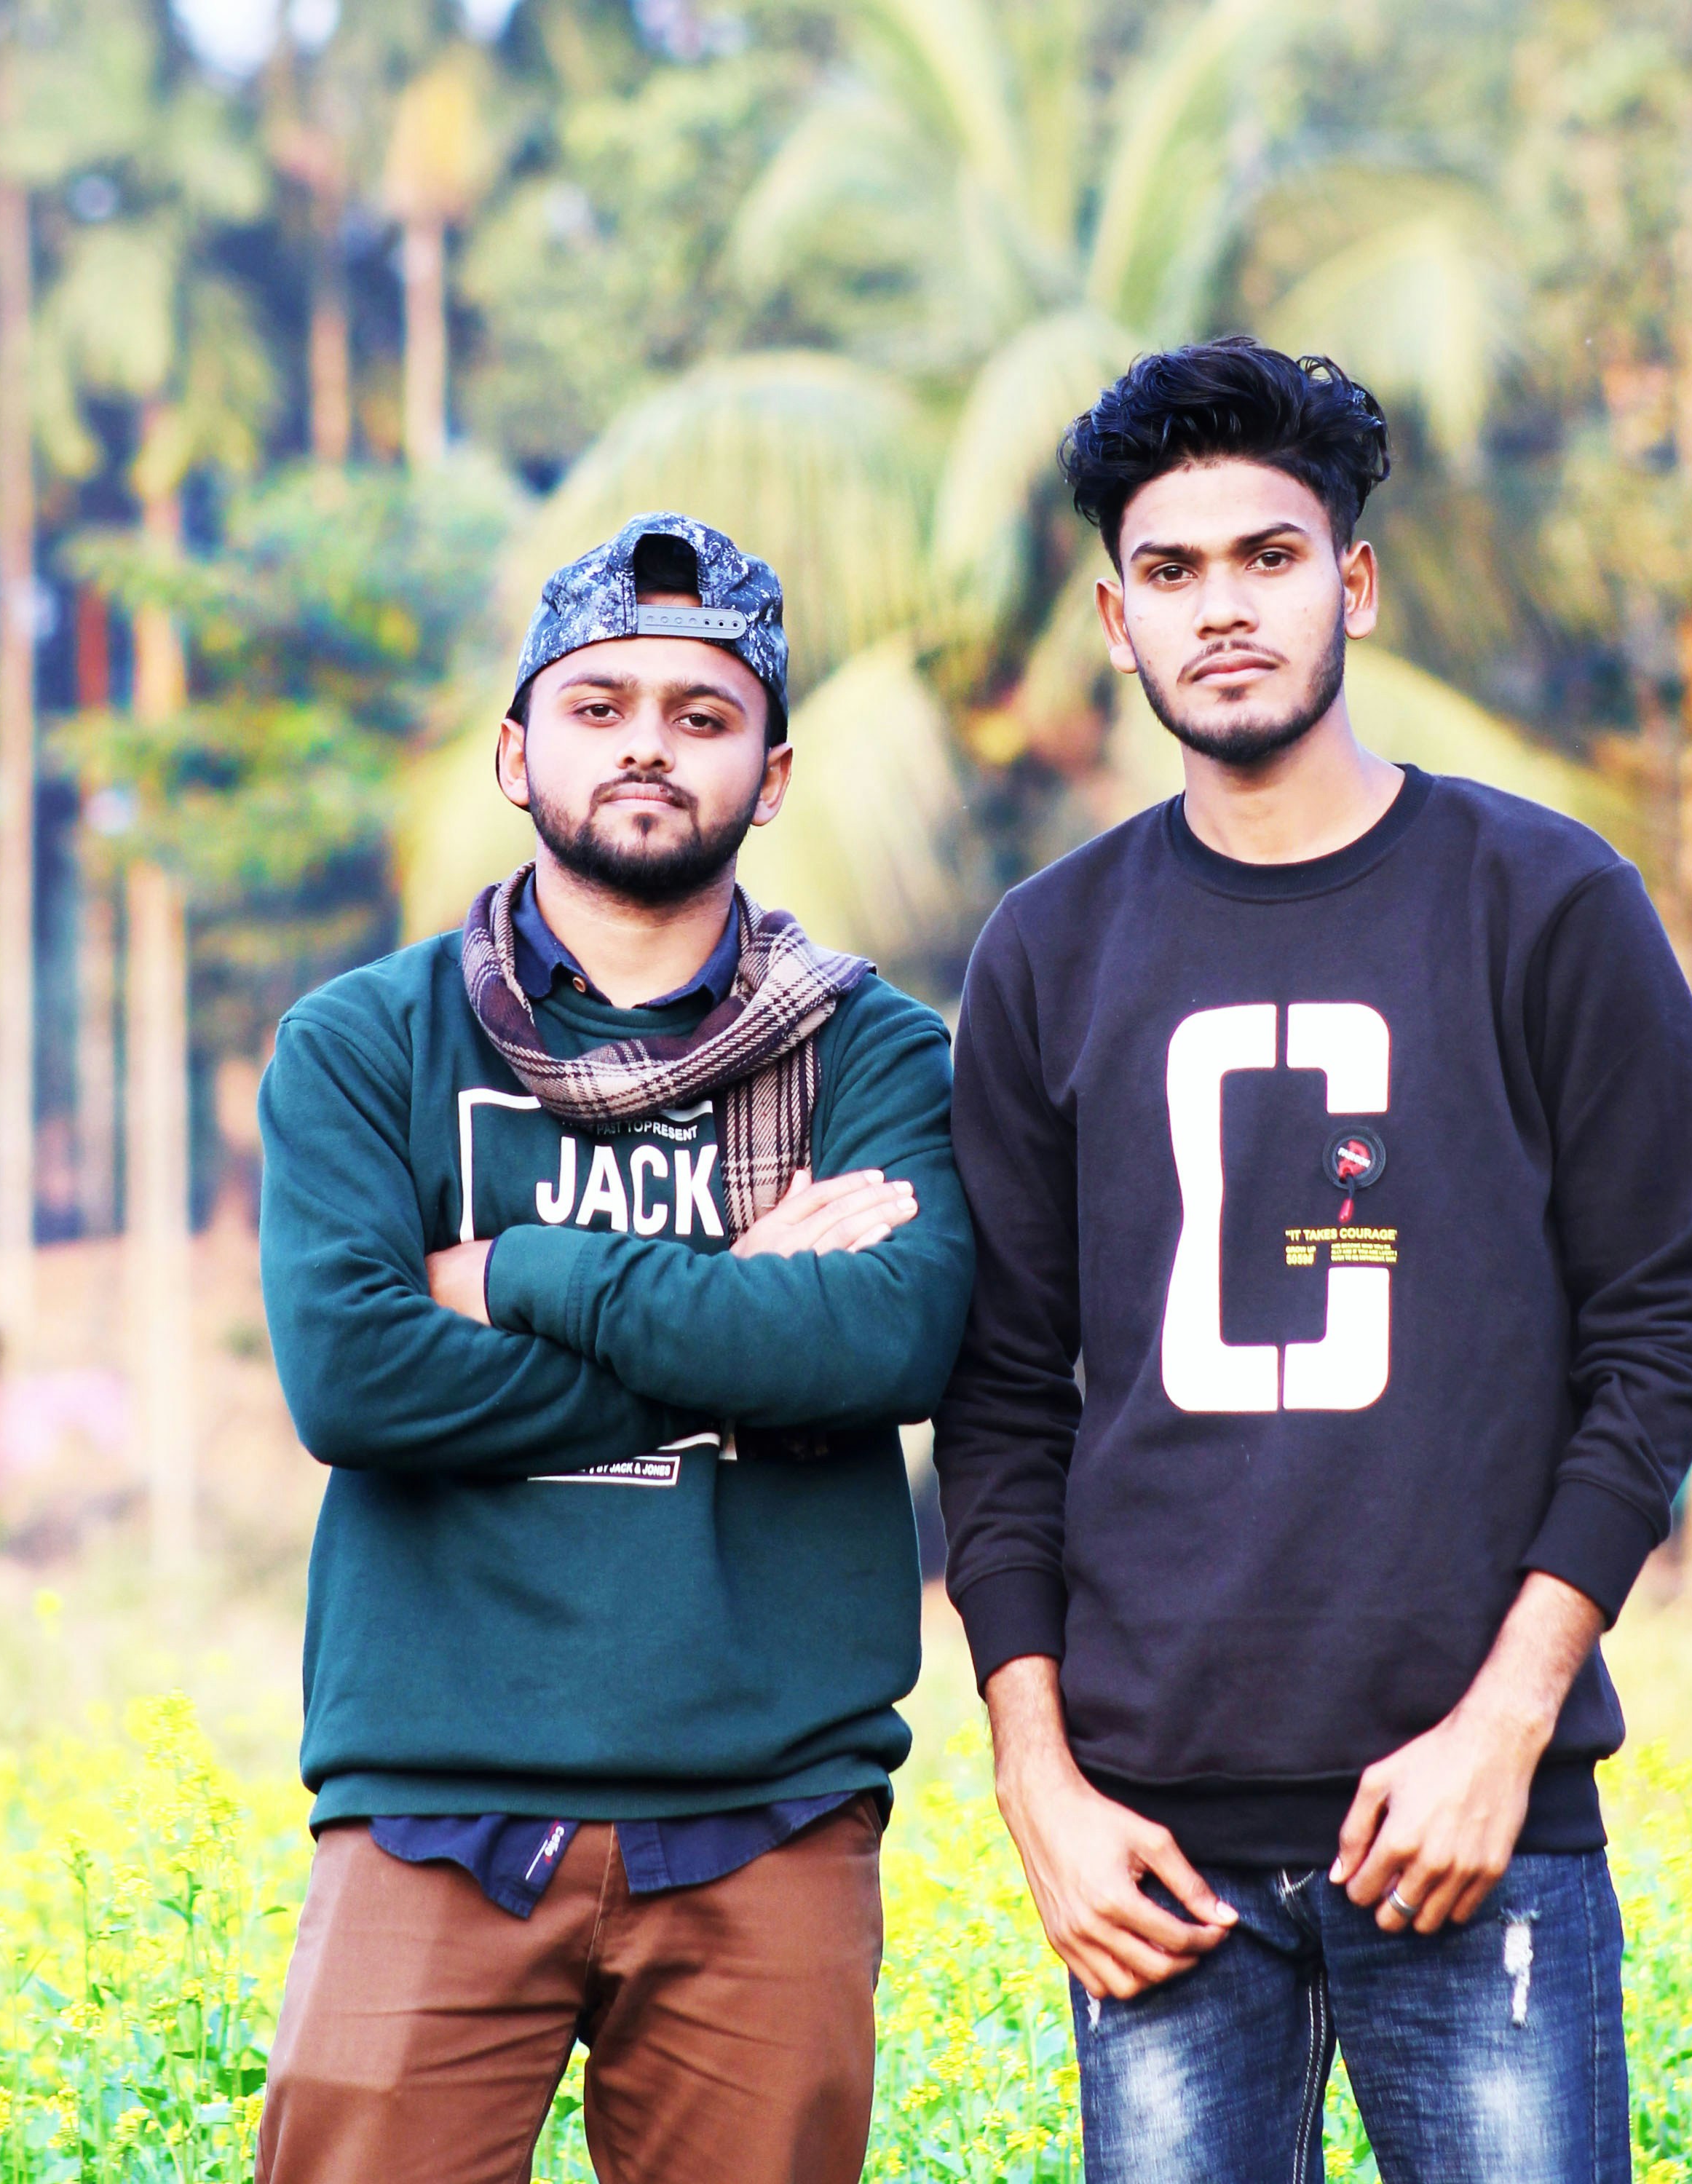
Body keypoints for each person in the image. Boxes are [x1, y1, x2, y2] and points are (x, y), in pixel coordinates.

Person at [933, 339, 1692, 2184]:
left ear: (1354, 583)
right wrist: (1035, 1785)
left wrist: (1504, 1725)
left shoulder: (1544, 905)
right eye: (1170, 572)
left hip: (1478, 1825)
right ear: (1114, 620)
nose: (1221, 608)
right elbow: (997, 1399)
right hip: (1152, 1861)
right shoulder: (1045, 952)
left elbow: (1660, 1332)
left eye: (1268, 556)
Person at [254, 511, 973, 2184]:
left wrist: (515, 1264)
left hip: (769, 1811)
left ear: (772, 775)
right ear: (517, 752)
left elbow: (892, 1339)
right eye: (601, 704)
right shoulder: (370, 1042)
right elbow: (352, 1378)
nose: (648, 740)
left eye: (703, 714)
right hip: (431, 1802)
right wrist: (741, 1305)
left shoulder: (874, 1051)